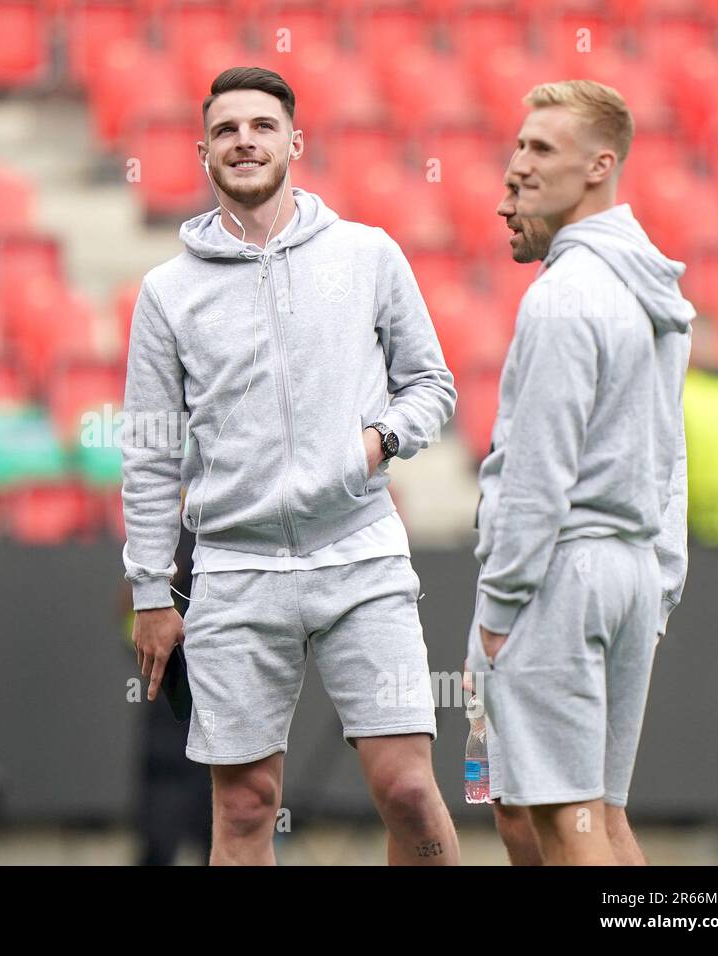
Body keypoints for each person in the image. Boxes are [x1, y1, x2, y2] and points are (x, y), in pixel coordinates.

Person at [122, 67, 459, 865]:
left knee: (409, 791)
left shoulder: (368, 254)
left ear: (294, 142)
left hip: (361, 552)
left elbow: (431, 385)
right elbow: (150, 452)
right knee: (244, 807)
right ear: (203, 152)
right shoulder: (167, 293)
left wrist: (376, 443)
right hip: (234, 570)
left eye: (262, 126)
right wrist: (150, 593)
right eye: (227, 130)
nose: (245, 141)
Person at [467, 81, 692, 865]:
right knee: (601, 818)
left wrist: (499, 608)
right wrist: (662, 578)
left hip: (559, 577)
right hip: (629, 571)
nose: (517, 166)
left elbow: (540, 470)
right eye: (518, 146)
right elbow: (670, 453)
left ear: (600, 166)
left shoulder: (562, 296)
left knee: (568, 824)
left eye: (541, 148)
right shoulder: (655, 290)